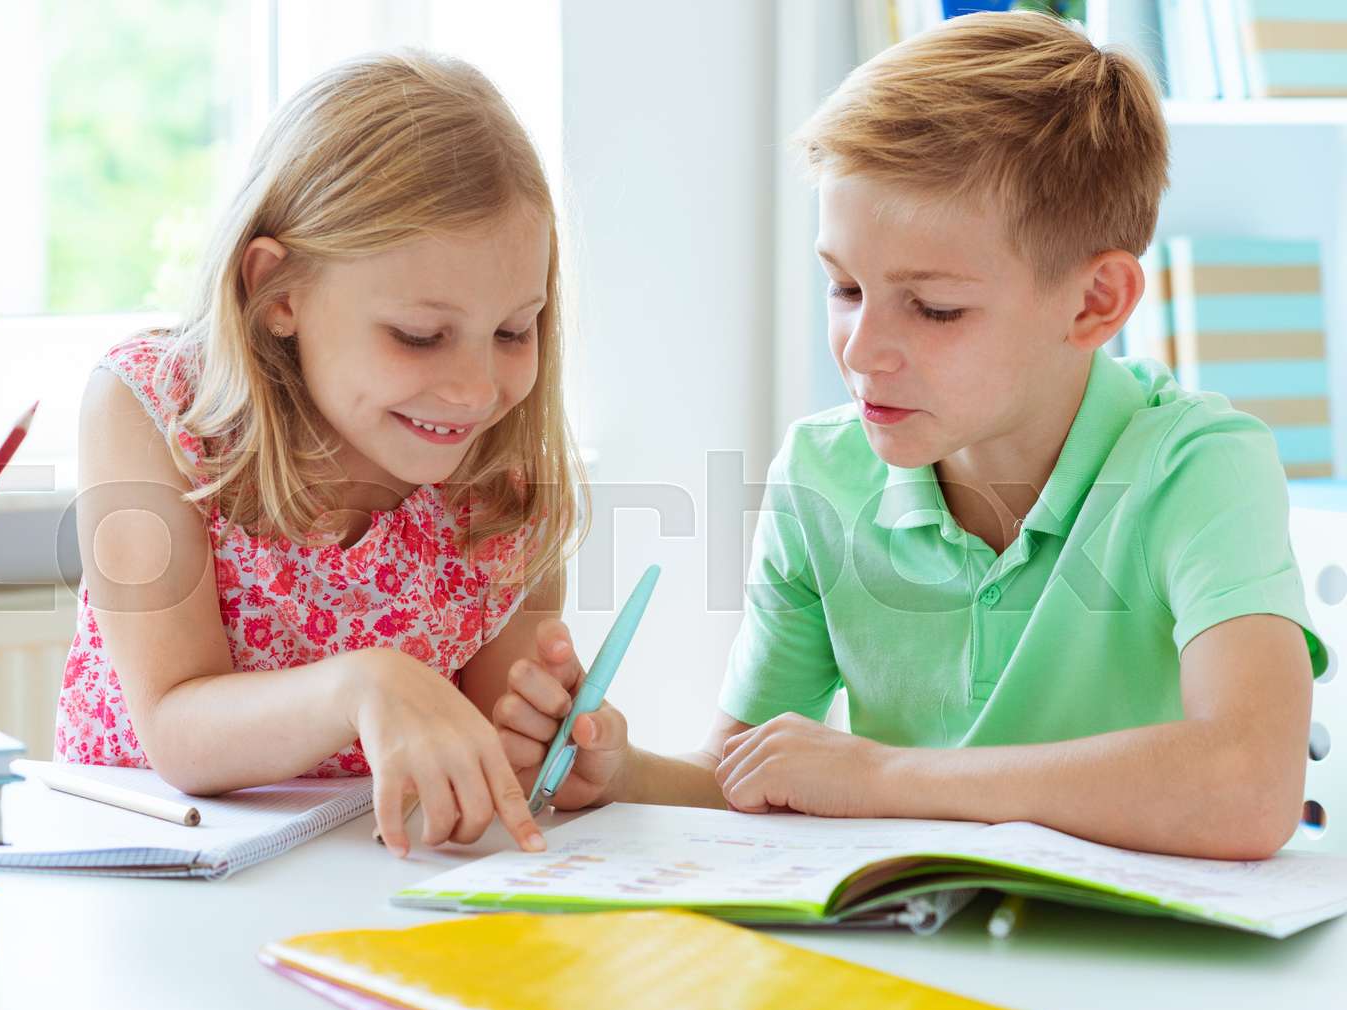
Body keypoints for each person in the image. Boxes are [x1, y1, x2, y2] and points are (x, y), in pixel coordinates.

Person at [497, 12, 1321, 861]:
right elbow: (754, 775)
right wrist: (623, 771)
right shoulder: (821, 475)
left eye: (935, 308)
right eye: (845, 287)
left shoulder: (1200, 466)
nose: (861, 351)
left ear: (1094, 304)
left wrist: (885, 778)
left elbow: (1251, 786)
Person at [63, 52, 581, 857]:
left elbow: (497, 757)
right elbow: (175, 728)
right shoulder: (152, 409)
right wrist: (362, 683)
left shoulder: (502, 482)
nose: (476, 390)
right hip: (148, 882)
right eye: (419, 336)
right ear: (279, 294)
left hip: (370, 896)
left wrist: (554, 749)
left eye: (515, 332)